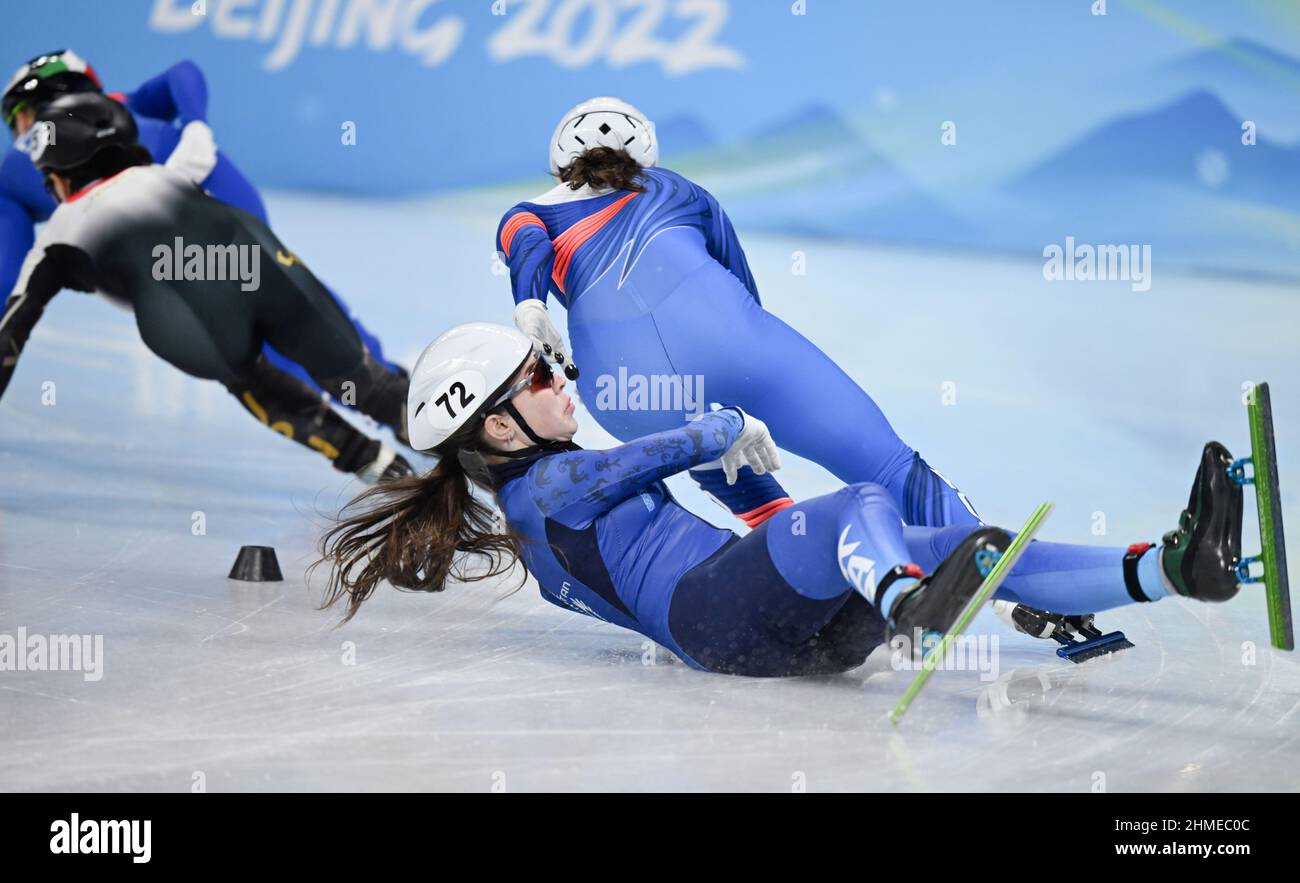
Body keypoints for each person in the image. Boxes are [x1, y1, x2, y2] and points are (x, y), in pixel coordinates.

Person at [315, 322, 1244, 677]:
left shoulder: (537, 487)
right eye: (539, 374)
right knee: (849, 510)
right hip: (712, 611)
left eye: (552, 363)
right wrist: (719, 430)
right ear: (503, 431)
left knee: (972, 539)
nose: (562, 376)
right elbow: (644, 458)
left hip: (764, 634)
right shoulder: (547, 487)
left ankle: (1173, 568)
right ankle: (907, 603)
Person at [496, 97, 979, 533]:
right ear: (646, 156)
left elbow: (529, 248)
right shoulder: (678, 189)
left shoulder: (525, 212)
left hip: (623, 395)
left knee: (725, 454)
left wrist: (530, 304)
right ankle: (999, 573)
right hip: (738, 350)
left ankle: (811, 571)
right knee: (889, 465)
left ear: (560, 167)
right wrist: (752, 365)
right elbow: (743, 286)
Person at [0, 92, 410, 482]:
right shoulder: (166, 172)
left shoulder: (59, 231)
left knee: (247, 375)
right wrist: (197, 124)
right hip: (258, 265)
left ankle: (371, 460)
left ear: (59, 178)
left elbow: (11, 335)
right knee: (371, 385)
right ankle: (443, 428)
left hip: (195, 321)